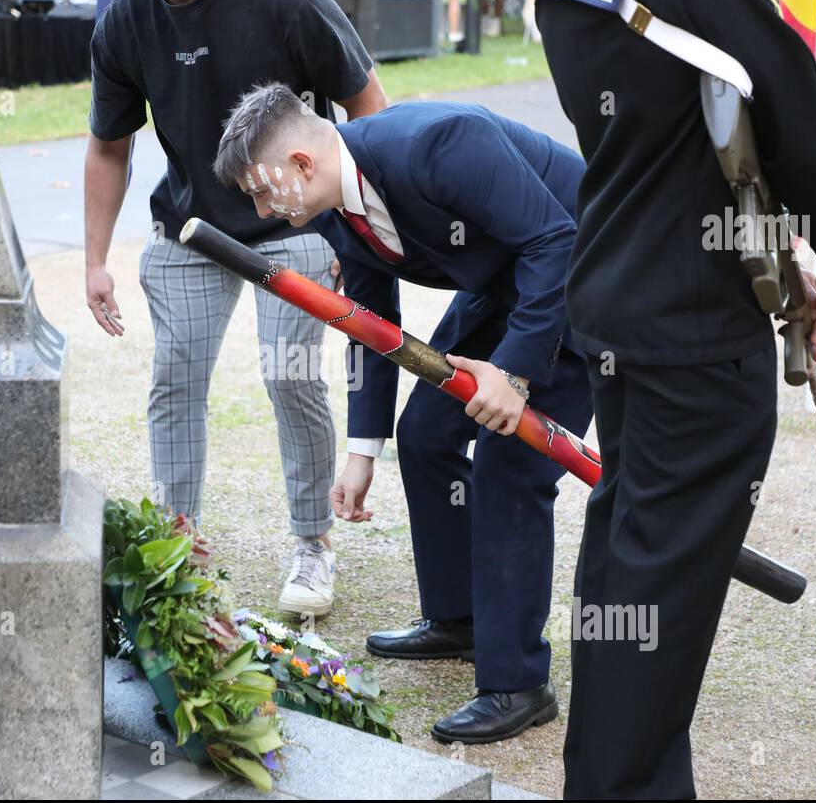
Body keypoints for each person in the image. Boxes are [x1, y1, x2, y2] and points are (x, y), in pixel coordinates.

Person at [528, 0, 816, 798]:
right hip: (694, 318)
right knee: (660, 593)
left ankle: (617, 781)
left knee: (627, 569)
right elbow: (791, 101)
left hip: (616, 289)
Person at [213, 84, 593, 744]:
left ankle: (517, 682)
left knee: (509, 462)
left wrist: (514, 372)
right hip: (506, 282)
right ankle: (459, 620)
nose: (262, 209)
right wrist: (362, 451)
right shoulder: (332, 206)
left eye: (262, 191)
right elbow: (371, 323)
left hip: (582, 273)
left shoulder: (435, 145)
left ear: (302, 164)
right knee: (424, 434)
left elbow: (555, 241)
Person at [84, 0, 387, 617]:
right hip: (193, 231)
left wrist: (359, 228)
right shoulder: (125, 24)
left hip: (298, 222)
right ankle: (176, 546)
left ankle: (313, 543)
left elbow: (372, 110)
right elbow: (108, 147)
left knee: (288, 375)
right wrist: (94, 260)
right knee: (176, 374)